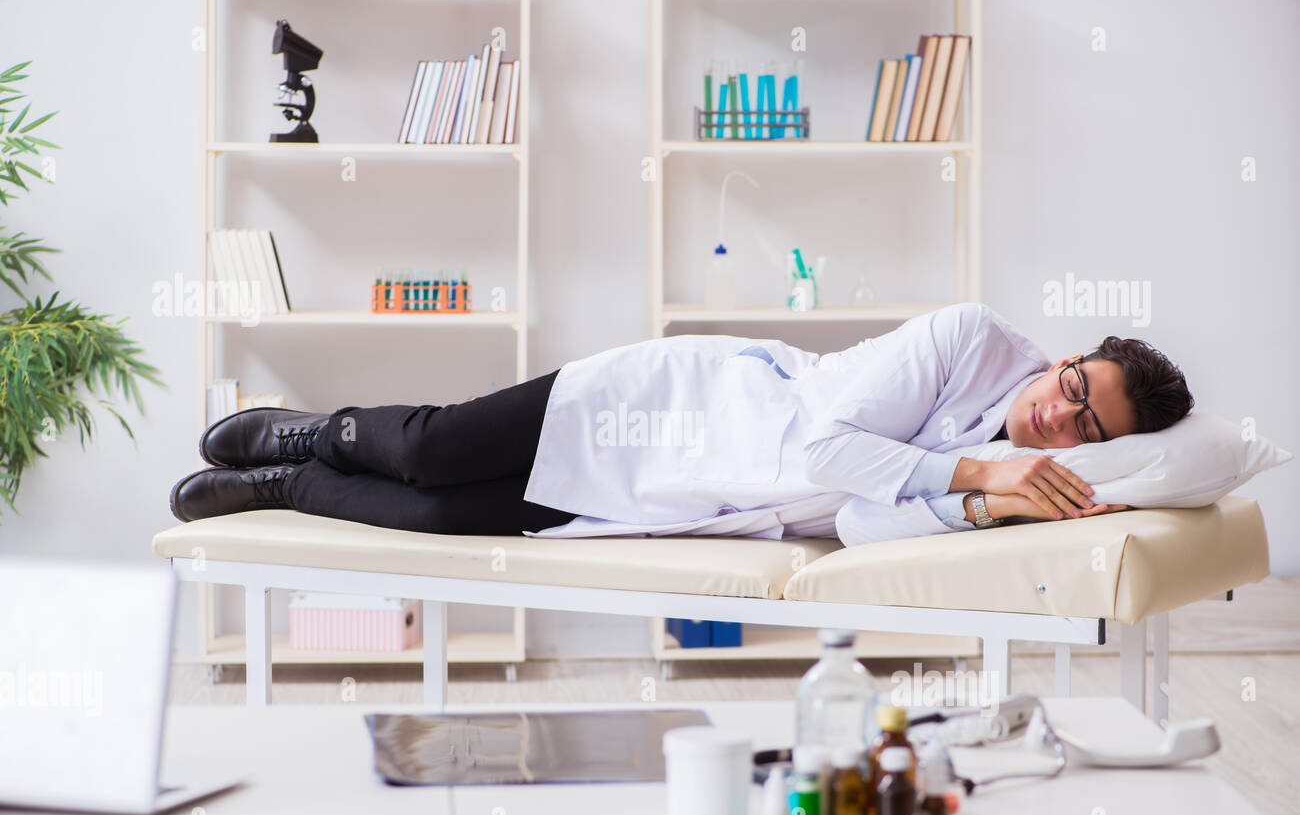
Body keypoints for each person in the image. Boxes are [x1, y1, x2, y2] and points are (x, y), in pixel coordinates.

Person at [169, 302, 1193, 545]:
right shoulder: (966, 339)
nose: (1057, 419)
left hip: (693, 495)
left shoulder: (1027, 479)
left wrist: (987, 505)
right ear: (1064, 357)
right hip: (668, 407)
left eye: (1085, 431)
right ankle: (305, 433)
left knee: (443, 515)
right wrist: (976, 476)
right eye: (1072, 387)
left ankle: (288, 486)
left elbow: (855, 526)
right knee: (434, 446)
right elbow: (821, 449)